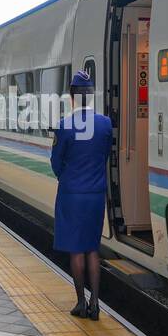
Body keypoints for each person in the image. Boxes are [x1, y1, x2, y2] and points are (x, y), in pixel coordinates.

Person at [49, 69, 113, 320]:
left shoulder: (65, 126)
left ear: (72, 97)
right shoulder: (105, 123)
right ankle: (96, 304)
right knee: (92, 249)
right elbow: (105, 155)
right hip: (95, 195)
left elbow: (56, 162)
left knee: (76, 250)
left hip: (72, 195)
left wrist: (67, 177)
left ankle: (81, 304)